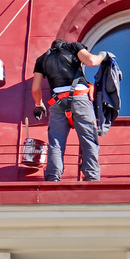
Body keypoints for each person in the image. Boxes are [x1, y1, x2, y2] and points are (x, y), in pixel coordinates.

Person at [31, 39, 106, 181]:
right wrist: (103, 55)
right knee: (88, 139)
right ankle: (92, 177)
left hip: (57, 101)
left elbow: (35, 89)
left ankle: (53, 177)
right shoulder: (73, 47)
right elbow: (91, 61)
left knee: (56, 142)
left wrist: (39, 105)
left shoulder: (42, 59)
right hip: (79, 98)